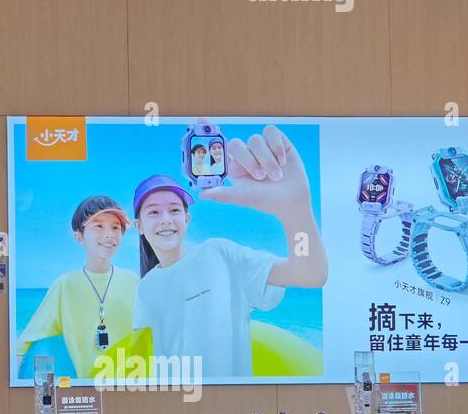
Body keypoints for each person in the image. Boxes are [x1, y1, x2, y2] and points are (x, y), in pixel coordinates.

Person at [131, 122, 328, 378]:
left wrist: (295, 209)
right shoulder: (146, 287)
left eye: (175, 210)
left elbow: (309, 273)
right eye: (154, 212)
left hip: (230, 411)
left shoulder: (219, 254)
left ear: (187, 220)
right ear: (139, 226)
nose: (166, 219)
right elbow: (141, 357)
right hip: (170, 410)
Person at [14, 195, 138, 379]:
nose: (109, 234)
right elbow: (27, 343)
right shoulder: (65, 285)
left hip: (127, 390)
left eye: (115, 227)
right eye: (98, 225)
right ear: (79, 236)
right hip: (84, 390)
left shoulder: (133, 281)